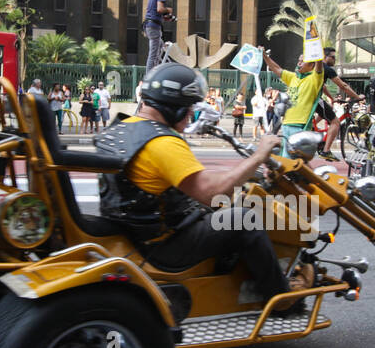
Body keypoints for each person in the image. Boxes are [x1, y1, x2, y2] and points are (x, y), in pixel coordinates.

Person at [93, 62, 310, 313]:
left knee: (227, 206)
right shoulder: (162, 142)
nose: (190, 115)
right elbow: (211, 191)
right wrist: (259, 156)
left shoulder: (121, 127)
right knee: (245, 218)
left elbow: (190, 179)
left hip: (133, 231)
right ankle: (282, 300)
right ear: (172, 108)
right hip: (166, 243)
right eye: (188, 108)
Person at [263, 52, 326, 157]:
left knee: (292, 161)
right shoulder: (293, 77)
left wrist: (316, 53)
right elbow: (277, 69)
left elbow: (319, 67)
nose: (299, 63)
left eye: (302, 61)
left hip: (300, 125)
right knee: (286, 158)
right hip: (286, 124)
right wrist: (265, 56)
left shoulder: (315, 78)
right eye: (298, 61)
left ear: (311, 65)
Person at [143, 0, 175, 73]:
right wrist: (168, 10)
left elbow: (155, 13)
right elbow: (160, 9)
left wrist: (166, 18)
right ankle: (149, 77)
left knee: (160, 47)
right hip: (153, 27)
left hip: (150, 26)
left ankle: (156, 70)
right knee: (153, 54)